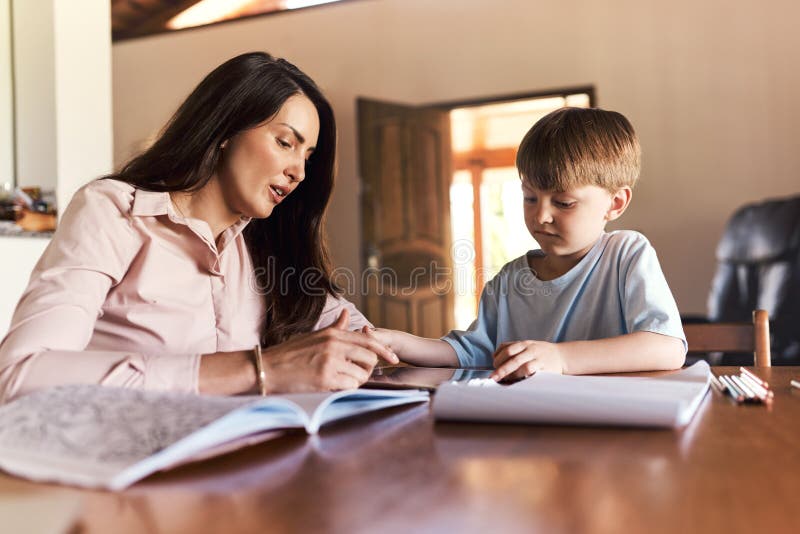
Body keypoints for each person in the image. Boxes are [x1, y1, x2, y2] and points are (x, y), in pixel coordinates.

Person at [0, 52, 397, 403]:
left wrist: (457, 349)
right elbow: (20, 375)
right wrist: (260, 370)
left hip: (238, 467)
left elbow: (360, 336)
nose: (299, 172)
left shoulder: (267, 243)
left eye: (308, 156)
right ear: (226, 130)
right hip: (119, 470)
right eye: (285, 143)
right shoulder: (114, 212)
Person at [366, 107, 686, 381]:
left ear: (615, 203)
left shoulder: (627, 255)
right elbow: (470, 352)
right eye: (530, 197)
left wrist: (560, 358)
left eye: (563, 203)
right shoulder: (509, 281)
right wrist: (400, 342)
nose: (541, 215)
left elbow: (667, 348)